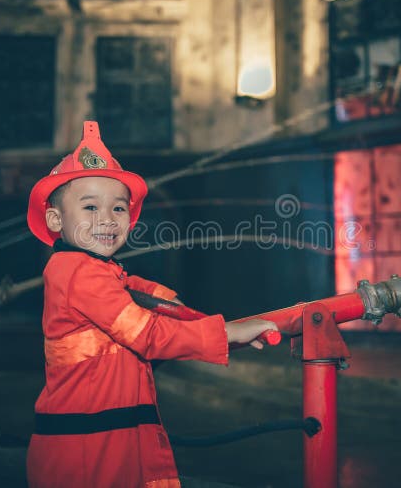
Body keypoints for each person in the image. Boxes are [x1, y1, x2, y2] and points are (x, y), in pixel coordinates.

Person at [26, 121, 278, 488]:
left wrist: (216, 330)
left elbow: (146, 295)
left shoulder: (101, 272)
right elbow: (146, 334)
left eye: (118, 209)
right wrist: (224, 331)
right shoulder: (79, 272)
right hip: (87, 455)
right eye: (91, 207)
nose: (107, 220)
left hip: (105, 441)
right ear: (55, 219)